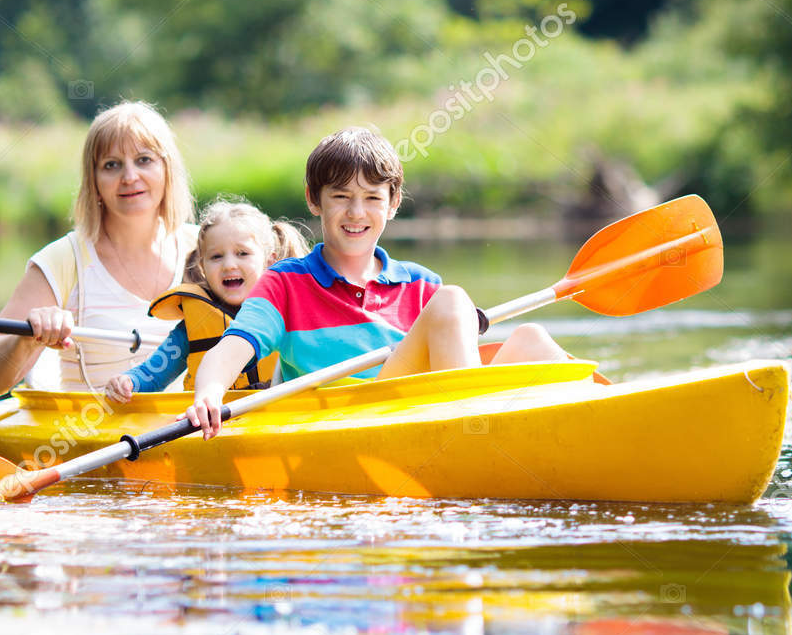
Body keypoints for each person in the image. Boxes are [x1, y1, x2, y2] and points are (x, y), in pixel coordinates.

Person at [182, 127, 572, 438]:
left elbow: (457, 358)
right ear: (314, 200)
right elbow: (230, 350)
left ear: (393, 202)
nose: (356, 212)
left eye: (372, 197)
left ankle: (587, 416)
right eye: (341, 196)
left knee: (531, 340)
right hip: (350, 426)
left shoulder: (421, 284)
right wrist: (210, 393)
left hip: (419, 416)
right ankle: (474, 438)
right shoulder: (284, 284)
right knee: (453, 301)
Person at [0, 101, 197, 394]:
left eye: (144, 160)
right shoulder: (63, 260)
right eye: (111, 165)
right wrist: (26, 336)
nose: (129, 177)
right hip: (84, 431)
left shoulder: (206, 252)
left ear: (167, 170)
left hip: (189, 425)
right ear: (94, 181)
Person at [101, 199, 311, 402]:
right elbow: (153, 374)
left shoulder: (290, 313)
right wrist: (129, 382)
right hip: (216, 429)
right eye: (216, 257)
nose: (229, 265)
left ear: (269, 260)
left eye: (242, 253)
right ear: (202, 265)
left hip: (280, 424)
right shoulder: (192, 326)